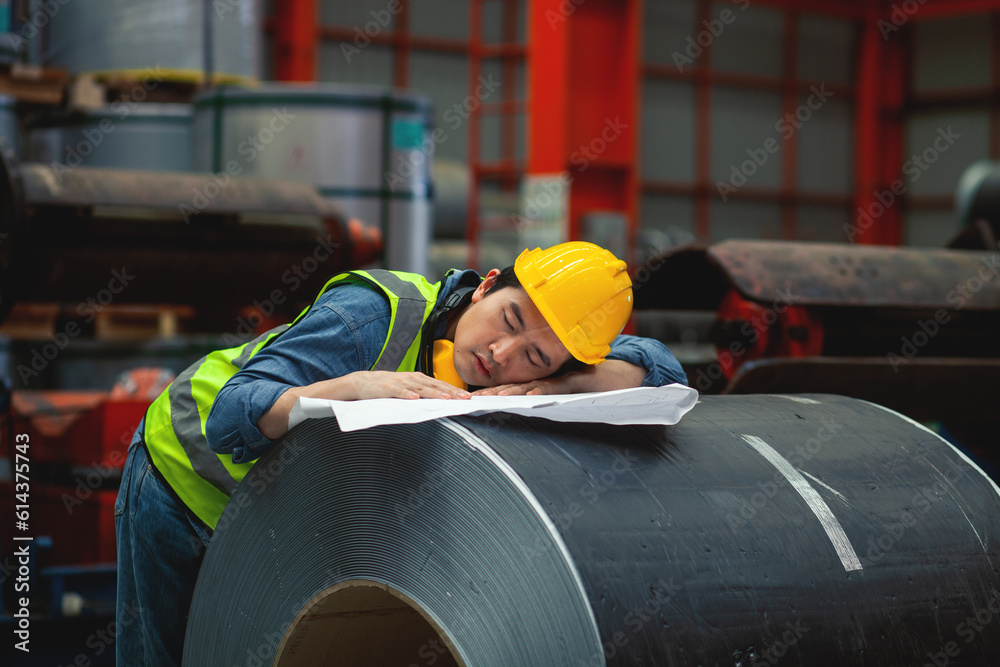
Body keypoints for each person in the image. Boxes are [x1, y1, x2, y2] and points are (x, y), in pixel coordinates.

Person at [114, 242, 687, 666]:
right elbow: (232, 414)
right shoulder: (371, 315)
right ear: (486, 285)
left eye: (535, 356)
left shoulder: (524, 377)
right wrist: (349, 386)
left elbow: (662, 369)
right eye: (510, 320)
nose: (501, 353)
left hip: (270, 521)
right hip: (183, 483)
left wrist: (560, 387)